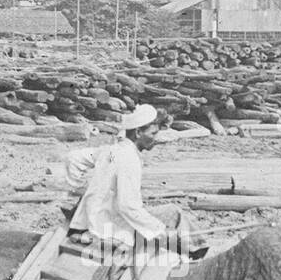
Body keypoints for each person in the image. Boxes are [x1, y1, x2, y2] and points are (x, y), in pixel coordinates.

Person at [64, 103, 195, 259]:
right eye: (153, 134)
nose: (155, 139)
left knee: (169, 214)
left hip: (92, 219)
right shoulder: (129, 159)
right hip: (111, 228)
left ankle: (190, 250)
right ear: (138, 132)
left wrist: (77, 190)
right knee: (174, 214)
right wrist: (158, 230)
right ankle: (194, 253)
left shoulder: (111, 150)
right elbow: (127, 206)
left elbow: (73, 158)